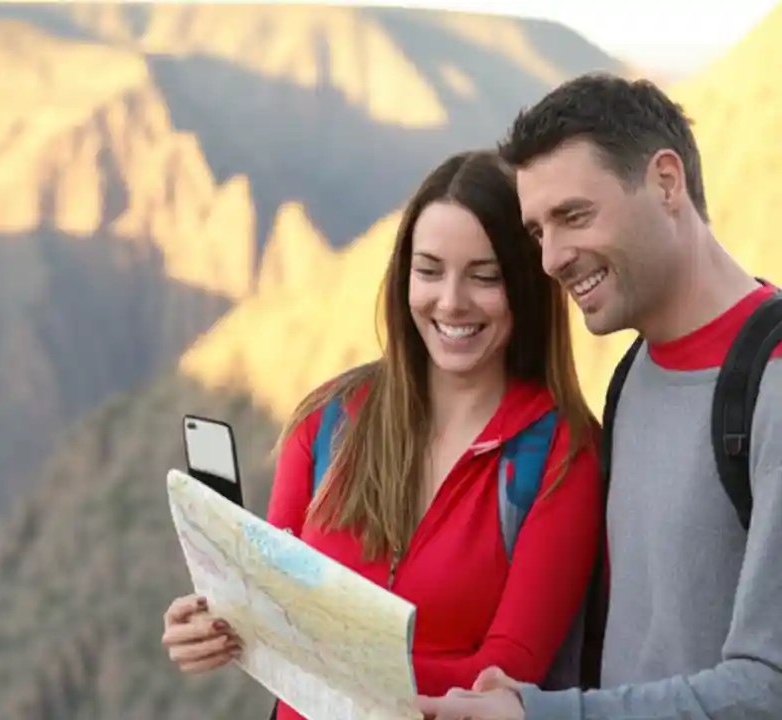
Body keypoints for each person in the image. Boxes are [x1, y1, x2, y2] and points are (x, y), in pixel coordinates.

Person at [160, 150, 604, 717]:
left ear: (524, 285)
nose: (451, 301)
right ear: (403, 279)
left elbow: (504, 676)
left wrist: (310, 652)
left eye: (485, 277)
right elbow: (264, 606)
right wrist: (213, 626)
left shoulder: (561, 455)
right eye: (429, 271)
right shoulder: (329, 422)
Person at [418, 74, 782, 720]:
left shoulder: (771, 385)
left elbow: (768, 688)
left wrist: (540, 716)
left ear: (666, 183)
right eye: (537, 232)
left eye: (574, 216)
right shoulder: (633, 374)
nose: (552, 258)